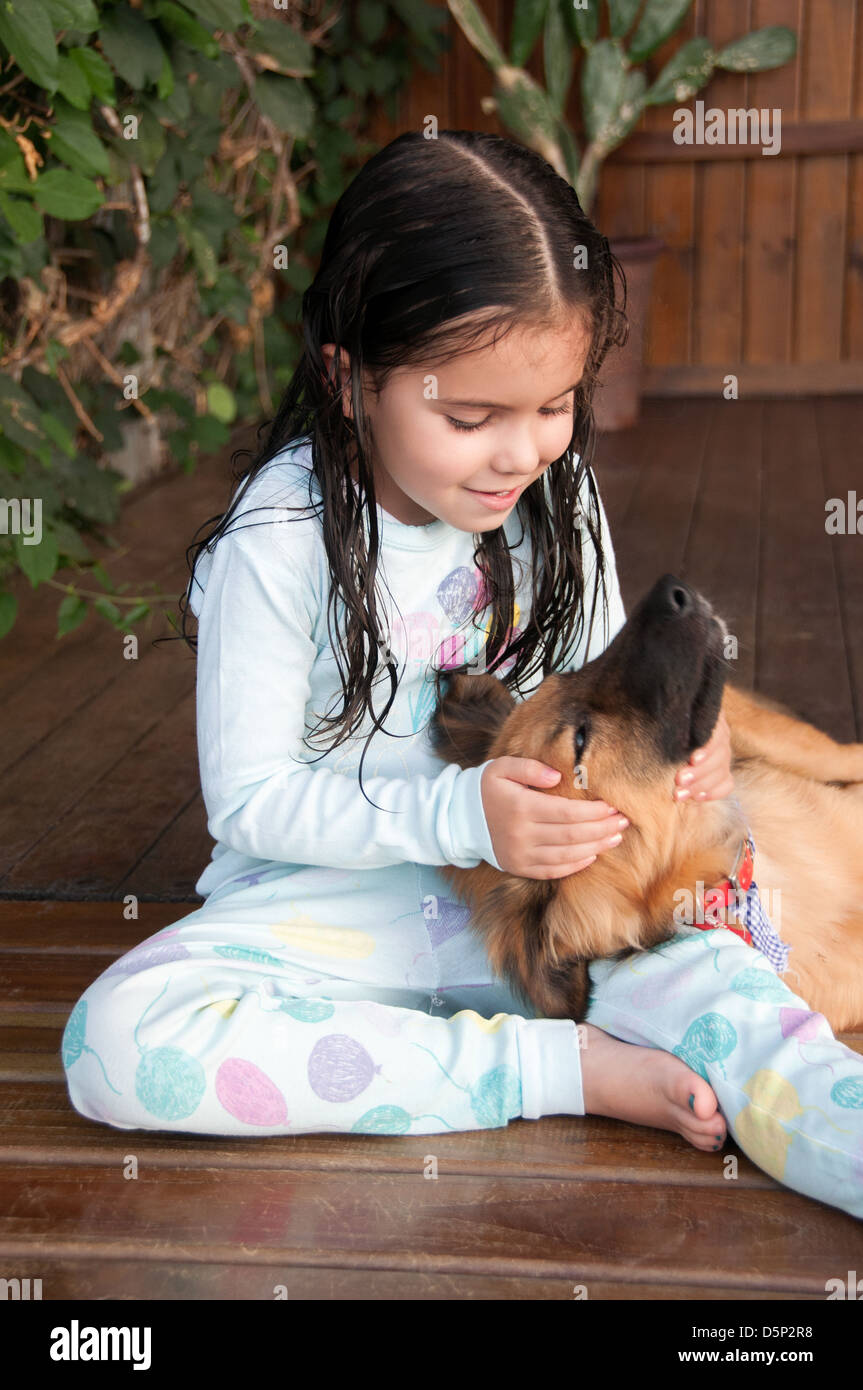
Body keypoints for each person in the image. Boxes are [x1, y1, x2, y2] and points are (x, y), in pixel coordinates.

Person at [62, 131, 863, 1220]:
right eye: (468, 417)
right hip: (336, 911)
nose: (518, 454)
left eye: (551, 407)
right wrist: (460, 815)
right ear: (351, 379)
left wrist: (685, 752)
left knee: (746, 1011)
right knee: (116, 1040)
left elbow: (598, 685)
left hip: (551, 928)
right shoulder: (282, 540)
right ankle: (552, 1071)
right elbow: (252, 804)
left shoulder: (553, 493)